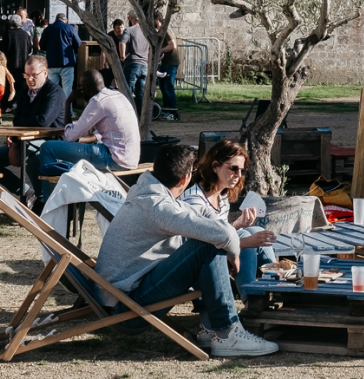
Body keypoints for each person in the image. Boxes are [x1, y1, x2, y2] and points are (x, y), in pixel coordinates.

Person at [93, 142, 278, 358]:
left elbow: (203, 219)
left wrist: (229, 239)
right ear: (185, 179)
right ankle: (228, 333)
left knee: (208, 240)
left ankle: (213, 329)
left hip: (125, 293)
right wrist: (234, 252)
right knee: (206, 244)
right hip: (126, 306)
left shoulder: (149, 193)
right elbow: (224, 235)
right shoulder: (159, 207)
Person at [29, 67, 138, 183]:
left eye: (80, 87)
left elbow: (69, 137)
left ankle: (48, 198)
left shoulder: (98, 101)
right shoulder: (117, 96)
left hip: (113, 159)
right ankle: (73, 196)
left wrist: (68, 102)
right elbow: (106, 132)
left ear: (85, 88)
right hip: (130, 158)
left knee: (47, 148)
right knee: (70, 157)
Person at [0, 56, 68, 182]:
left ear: (45, 73)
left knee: (30, 155)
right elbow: (17, 120)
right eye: (26, 75)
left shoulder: (54, 92)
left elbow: (42, 121)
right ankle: (27, 194)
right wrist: (14, 143)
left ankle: (41, 198)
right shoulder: (25, 92)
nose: (30, 79)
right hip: (25, 142)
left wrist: (17, 132)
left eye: (34, 75)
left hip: (51, 143)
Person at [179, 139, 263, 230]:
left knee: (256, 231)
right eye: (233, 168)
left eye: (242, 170)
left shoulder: (222, 196)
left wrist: (239, 224)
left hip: (215, 242)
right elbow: (206, 240)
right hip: (203, 243)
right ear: (215, 166)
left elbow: (221, 234)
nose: (238, 175)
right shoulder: (194, 199)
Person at [41, 13, 81, 98]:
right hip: (67, 63)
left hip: (52, 63)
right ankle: (67, 110)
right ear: (65, 20)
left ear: (55, 19)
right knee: (67, 89)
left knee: (52, 89)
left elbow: (42, 45)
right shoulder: (70, 28)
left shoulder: (48, 29)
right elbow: (78, 43)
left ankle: (53, 110)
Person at [121, 20, 151, 109]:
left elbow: (122, 43)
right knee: (140, 93)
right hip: (144, 65)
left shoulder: (129, 30)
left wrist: (122, 56)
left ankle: (127, 113)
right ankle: (140, 116)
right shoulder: (147, 31)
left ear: (131, 18)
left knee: (127, 91)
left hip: (132, 64)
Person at [156, 33, 180, 120]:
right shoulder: (159, 31)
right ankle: (166, 110)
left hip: (171, 64)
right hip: (164, 63)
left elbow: (172, 45)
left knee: (168, 87)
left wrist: (160, 50)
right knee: (163, 87)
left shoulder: (166, 31)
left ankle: (172, 112)